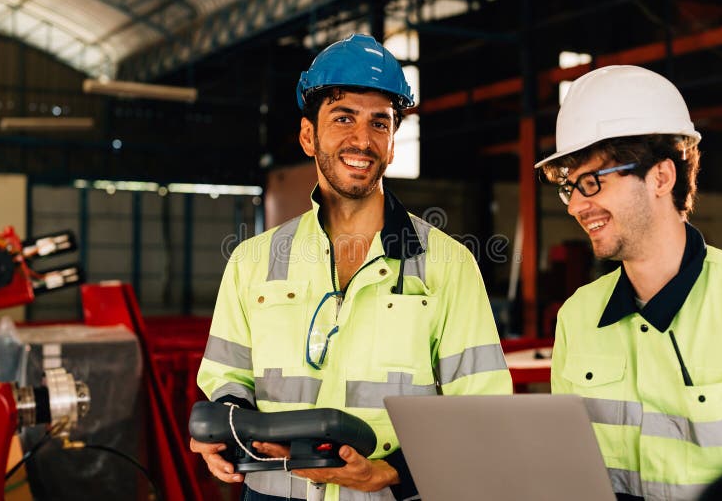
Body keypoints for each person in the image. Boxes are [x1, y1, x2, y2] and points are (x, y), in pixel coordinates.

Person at [191, 33, 513, 501]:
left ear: (392, 144)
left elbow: (482, 410)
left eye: (379, 123)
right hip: (274, 493)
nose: (362, 139)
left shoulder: (447, 264)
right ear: (308, 136)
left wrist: (391, 471)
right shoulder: (253, 261)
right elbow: (226, 378)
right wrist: (225, 429)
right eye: (343, 118)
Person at [535, 65, 722, 500]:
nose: (576, 207)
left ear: (662, 177)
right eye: (571, 188)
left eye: (592, 182)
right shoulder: (578, 317)